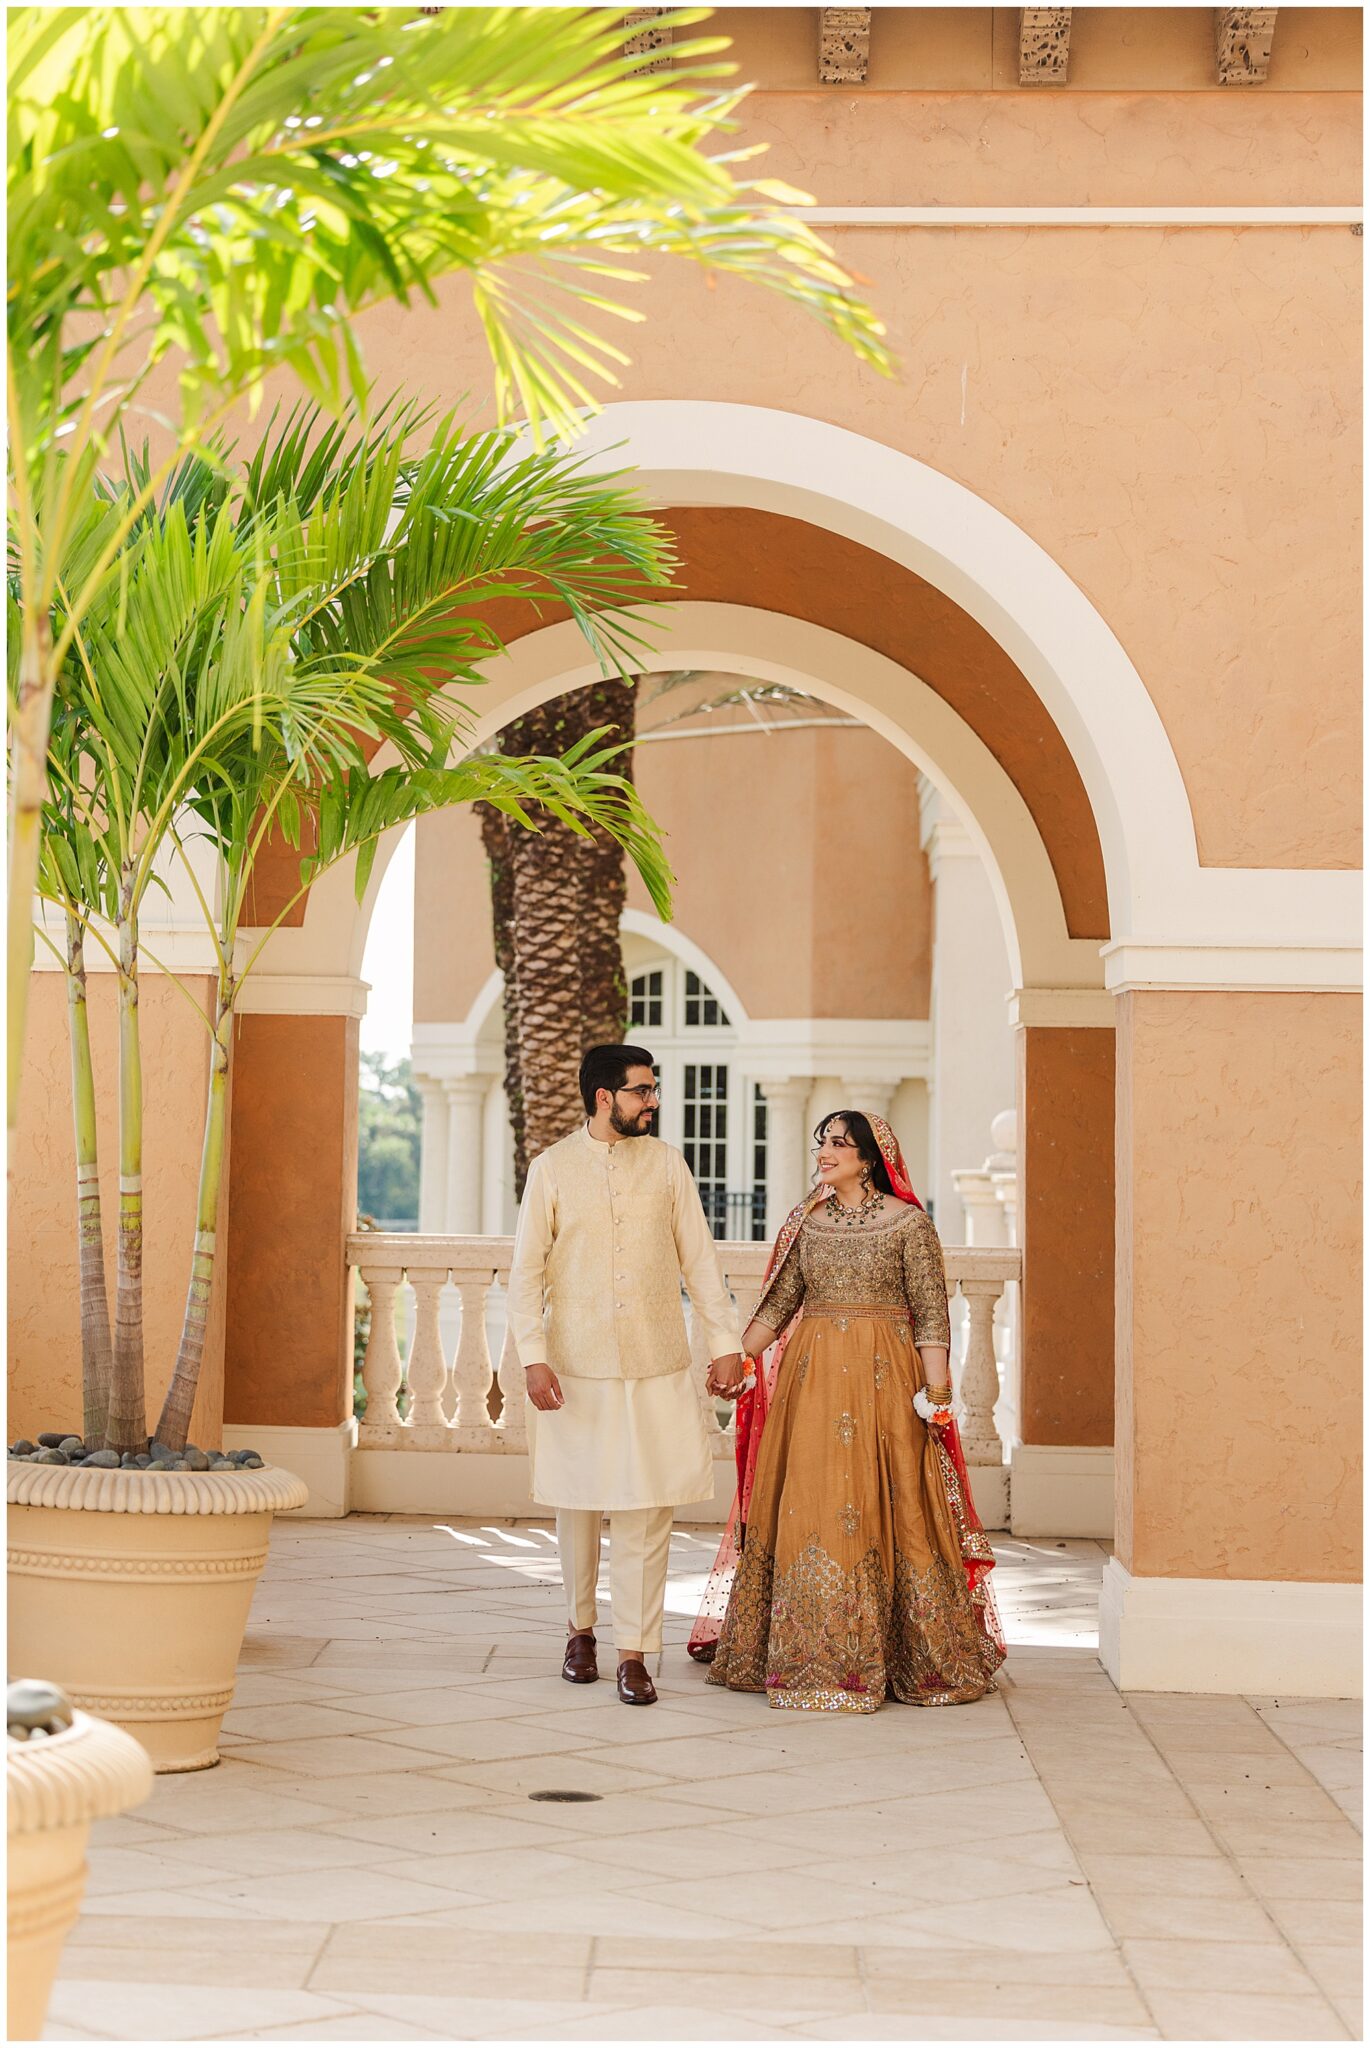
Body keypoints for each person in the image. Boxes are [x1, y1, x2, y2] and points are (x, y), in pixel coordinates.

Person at [690, 1109, 1005, 1711]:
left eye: (839, 1143)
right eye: (823, 1143)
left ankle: (901, 1652)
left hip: (886, 1379)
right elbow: (780, 1300)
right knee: (813, 1502)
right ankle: (805, 1651)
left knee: (899, 1504)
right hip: (811, 1381)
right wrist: (735, 1357)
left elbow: (931, 1312)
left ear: (868, 1157)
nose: (826, 1152)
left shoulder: (909, 1225)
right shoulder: (805, 1222)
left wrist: (937, 1393)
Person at [507, 1043, 746, 1705]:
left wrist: (723, 1341)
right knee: (578, 1503)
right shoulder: (551, 1170)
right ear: (604, 1097)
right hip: (574, 1365)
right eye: (643, 1091)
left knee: (649, 1507)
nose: (655, 1101)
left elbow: (700, 1262)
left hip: (654, 1359)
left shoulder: (668, 1165)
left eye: (654, 1089)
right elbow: (526, 1273)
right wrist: (533, 1356)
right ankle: (580, 1630)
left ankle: (635, 1652)